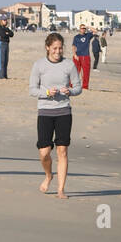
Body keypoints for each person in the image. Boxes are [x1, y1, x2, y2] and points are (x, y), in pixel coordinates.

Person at [29, 31, 82, 199]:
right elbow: (32, 90)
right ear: (47, 48)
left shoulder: (69, 65)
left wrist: (70, 91)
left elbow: (78, 87)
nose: (58, 51)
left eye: (60, 48)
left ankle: (61, 189)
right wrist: (46, 92)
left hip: (64, 111)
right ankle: (48, 175)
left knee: (62, 151)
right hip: (45, 111)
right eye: (54, 48)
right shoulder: (39, 65)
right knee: (44, 152)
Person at [71, 23, 94, 89]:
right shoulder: (76, 37)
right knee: (75, 71)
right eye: (82, 28)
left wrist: (88, 26)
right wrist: (74, 54)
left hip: (85, 56)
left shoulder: (88, 35)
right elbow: (73, 46)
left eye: (84, 28)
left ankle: (85, 86)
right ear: (79, 29)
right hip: (77, 56)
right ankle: (72, 85)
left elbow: (95, 31)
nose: (83, 29)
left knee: (86, 72)